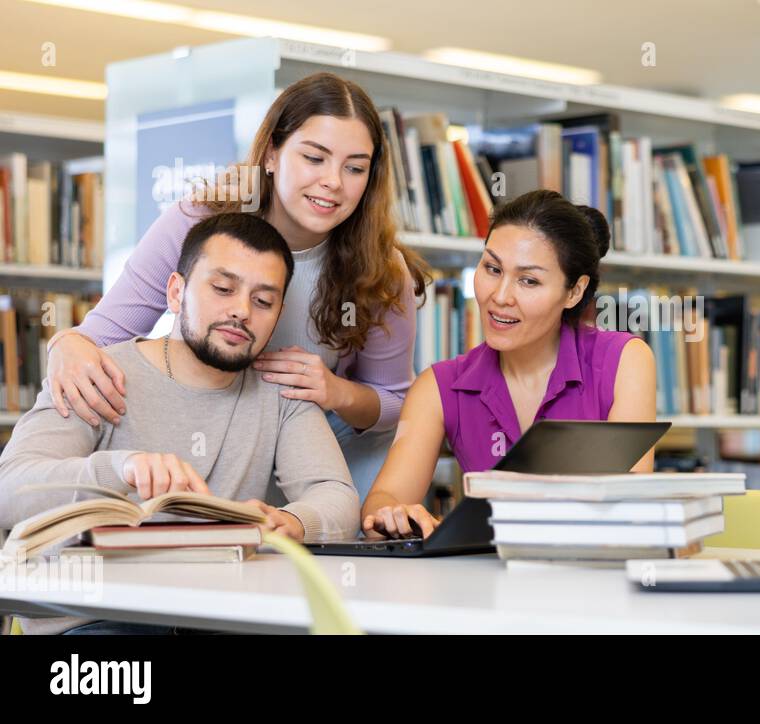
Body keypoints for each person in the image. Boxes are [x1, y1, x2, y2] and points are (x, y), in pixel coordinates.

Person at [42, 72, 428, 499]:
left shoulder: (382, 268)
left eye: (354, 167)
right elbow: (99, 337)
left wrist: (336, 392)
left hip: (326, 469)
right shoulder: (199, 221)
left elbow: (395, 401)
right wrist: (66, 343)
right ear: (271, 154)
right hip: (214, 463)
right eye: (314, 158)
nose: (333, 182)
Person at [0, 213, 360, 634]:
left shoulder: (280, 391)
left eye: (263, 301)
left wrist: (294, 522)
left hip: (219, 614)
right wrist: (120, 468)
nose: (241, 311)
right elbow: (10, 489)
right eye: (223, 289)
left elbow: (334, 494)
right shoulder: (96, 374)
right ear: (176, 292)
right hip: (96, 617)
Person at [361, 190, 657, 539]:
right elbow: (384, 499)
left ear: (575, 292)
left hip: (594, 578)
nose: (500, 297)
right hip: (490, 581)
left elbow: (633, 503)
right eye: (492, 268)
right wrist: (390, 515)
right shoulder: (439, 386)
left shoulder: (624, 360)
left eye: (528, 280)